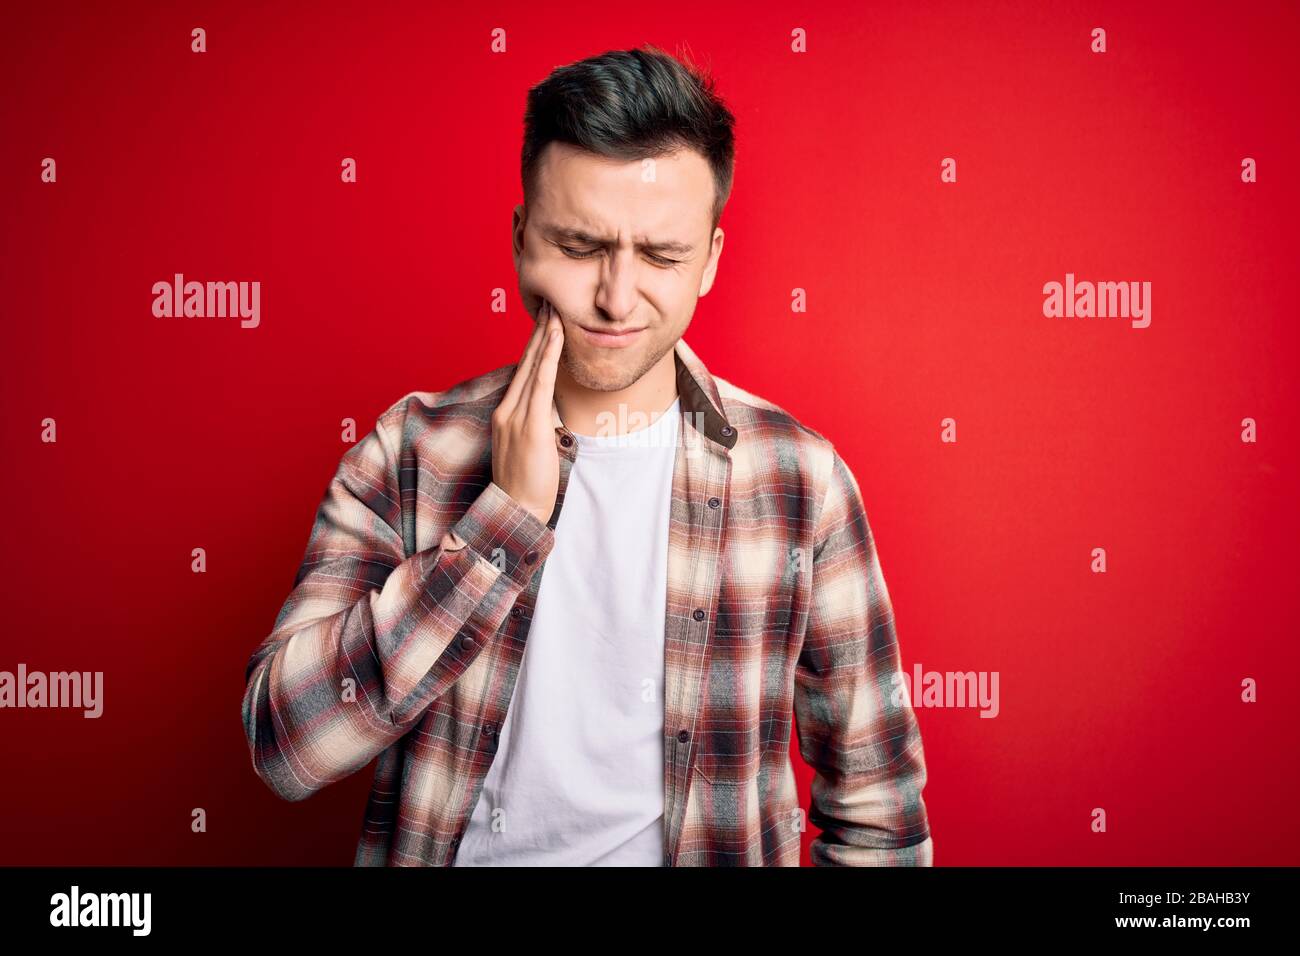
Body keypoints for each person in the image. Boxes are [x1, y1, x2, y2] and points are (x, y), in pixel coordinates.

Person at [241, 44, 933, 867]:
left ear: (709, 260)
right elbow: (285, 746)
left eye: (661, 256)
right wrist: (501, 530)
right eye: (578, 247)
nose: (614, 296)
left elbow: (879, 814)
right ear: (521, 238)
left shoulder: (799, 482)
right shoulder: (411, 452)